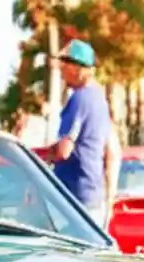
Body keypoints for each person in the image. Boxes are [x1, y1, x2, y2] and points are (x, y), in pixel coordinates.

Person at [35, 39, 114, 226]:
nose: (62, 69)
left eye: (66, 63)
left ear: (78, 68)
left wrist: (39, 156)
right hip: (93, 196)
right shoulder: (99, 100)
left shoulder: (79, 99)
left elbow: (64, 151)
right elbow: (110, 150)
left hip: (73, 199)